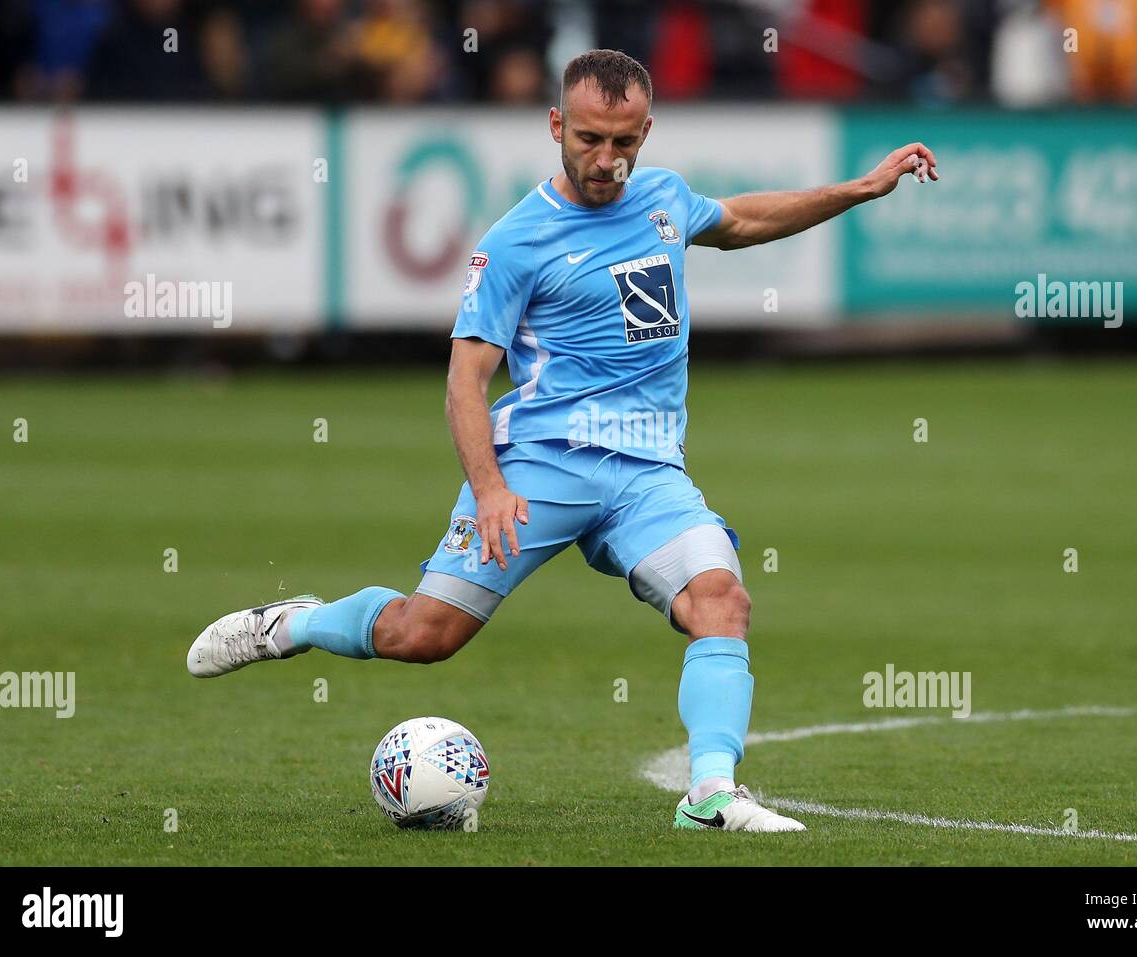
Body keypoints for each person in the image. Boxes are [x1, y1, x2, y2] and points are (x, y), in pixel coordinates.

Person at [187, 48, 937, 833]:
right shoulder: (515, 242)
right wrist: (490, 489)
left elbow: (743, 220)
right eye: (588, 140)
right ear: (555, 127)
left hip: (648, 471)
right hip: (539, 467)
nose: (607, 160)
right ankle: (295, 622)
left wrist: (860, 188)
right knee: (424, 635)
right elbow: (464, 381)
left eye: (623, 142)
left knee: (722, 600)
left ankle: (711, 793)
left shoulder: (664, 199)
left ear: (646, 131)